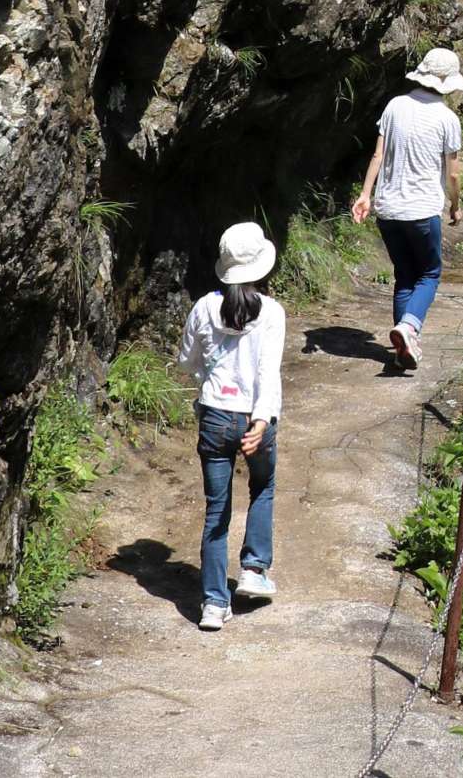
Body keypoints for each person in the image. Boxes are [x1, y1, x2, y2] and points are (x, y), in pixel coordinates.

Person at [177, 221, 286, 631]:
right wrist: (261, 420)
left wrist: (208, 373)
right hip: (254, 416)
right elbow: (267, 373)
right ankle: (254, 570)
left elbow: (186, 361)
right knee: (263, 486)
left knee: (216, 510)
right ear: (261, 268)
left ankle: (212, 603)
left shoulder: (204, 307)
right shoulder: (272, 312)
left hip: (214, 415)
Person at [351, 47, 463, 370]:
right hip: (422, 211)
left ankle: (404, 349)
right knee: (429, 274)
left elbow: (378, 156)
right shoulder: (447, 118)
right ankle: (409, 328)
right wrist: (456, 207)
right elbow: (453, 173)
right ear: (446, 83)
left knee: (404, 276)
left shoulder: (395, 106)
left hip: (388, 210)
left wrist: (365, 194)